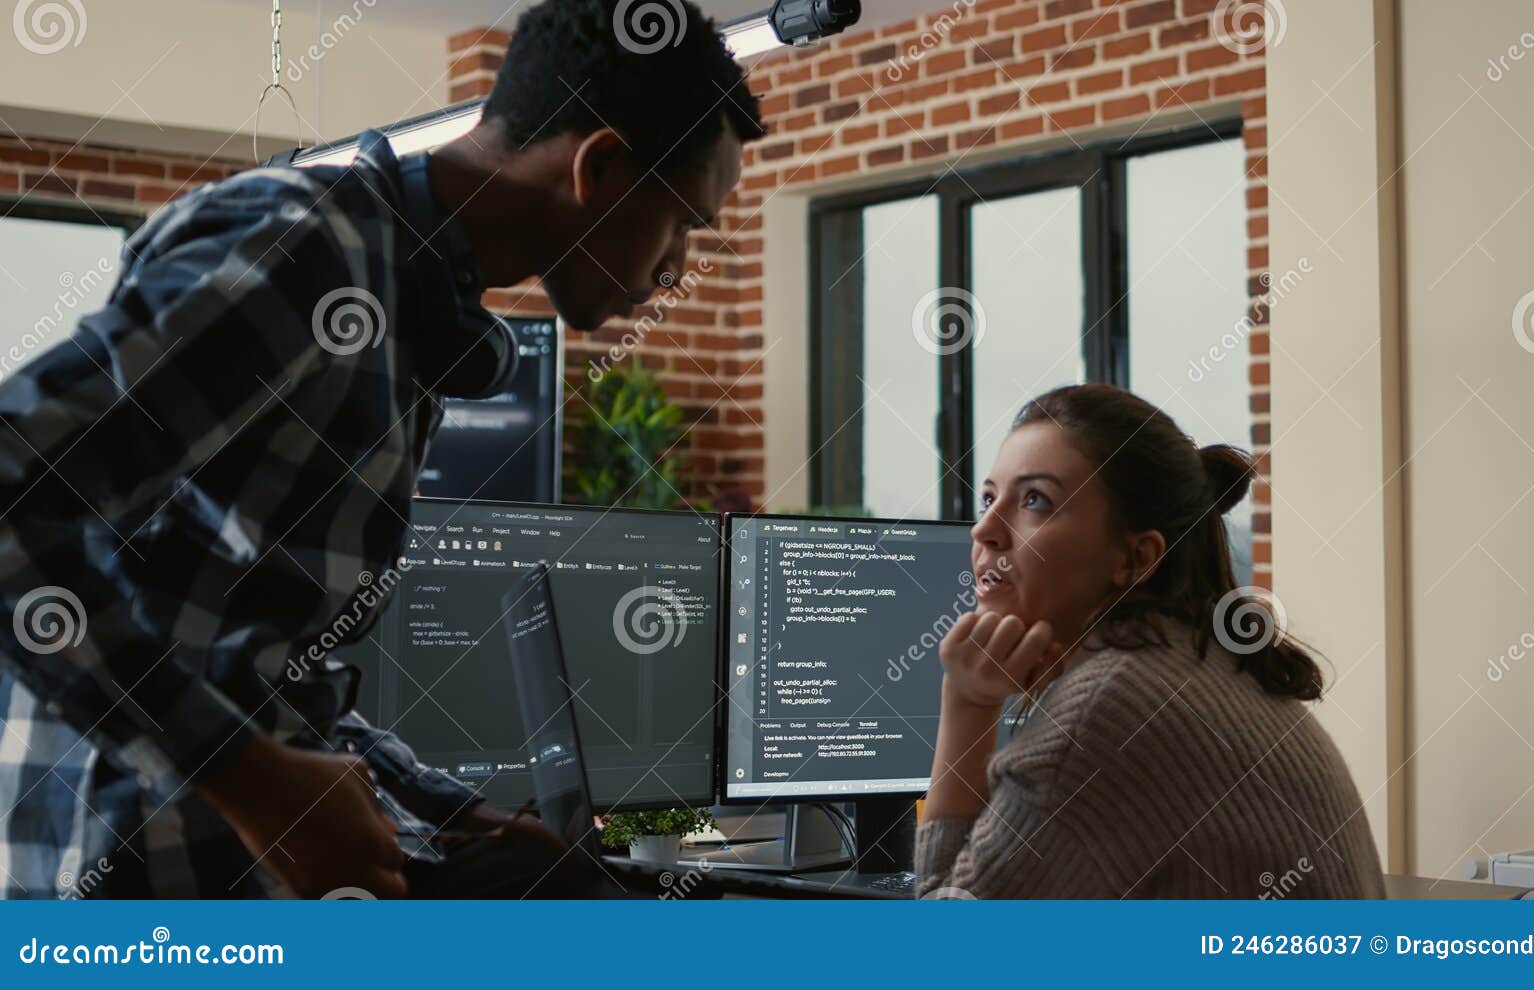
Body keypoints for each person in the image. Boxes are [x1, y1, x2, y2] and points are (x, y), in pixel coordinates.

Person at [0, 0, 762, 899]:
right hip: (142, 876)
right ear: (597, 167)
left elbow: (253, 655)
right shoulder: (307, 247)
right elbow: (17, 486)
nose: (676, 269)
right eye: (682, 223)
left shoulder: (408, 302)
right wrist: (244, 772)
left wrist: (446, 809)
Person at [918, 384, 1383, 899]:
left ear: (1136, 559)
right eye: (989, 498)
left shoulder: (1108, 706)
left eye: (1035, 500)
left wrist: (967, 702)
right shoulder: (1192, 658)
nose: (984, 528)